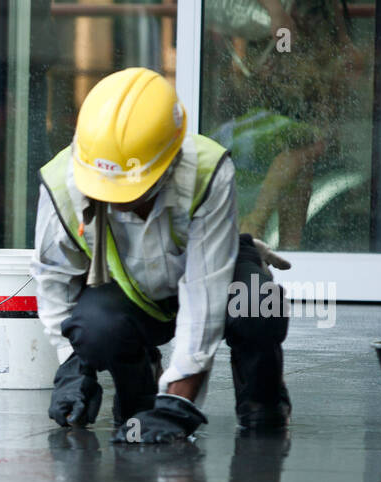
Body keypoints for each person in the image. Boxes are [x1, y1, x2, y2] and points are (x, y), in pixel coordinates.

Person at [34, 67, 292, 442]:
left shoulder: (207, 171)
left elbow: (204, 295)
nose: (119, 201)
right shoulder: (63, 181)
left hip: (210, 277)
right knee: (94, 329)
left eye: (132, 189)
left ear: (170, 162)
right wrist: (72, 367)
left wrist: (178, 404)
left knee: (256, 304)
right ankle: (138, 395)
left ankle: (263, 409)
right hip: (130, 292)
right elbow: (54, 281)